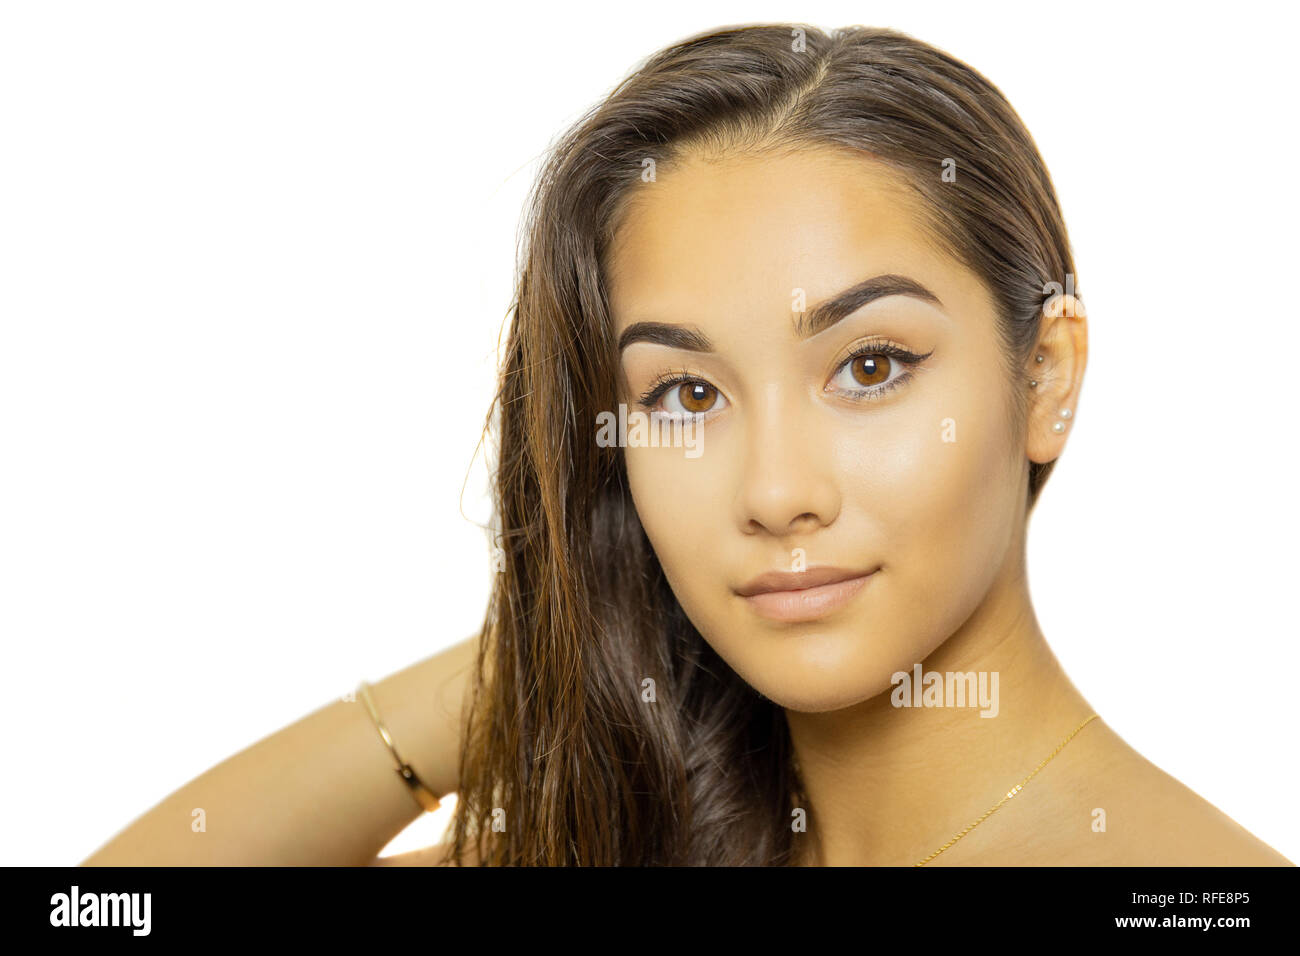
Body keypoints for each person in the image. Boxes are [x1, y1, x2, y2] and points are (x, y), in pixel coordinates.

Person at [82, 23, 1293, 867]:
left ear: (1046, 375)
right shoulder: (649, 842)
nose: (774, 492)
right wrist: (550, 654)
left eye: (869, 368)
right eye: (685, 396)